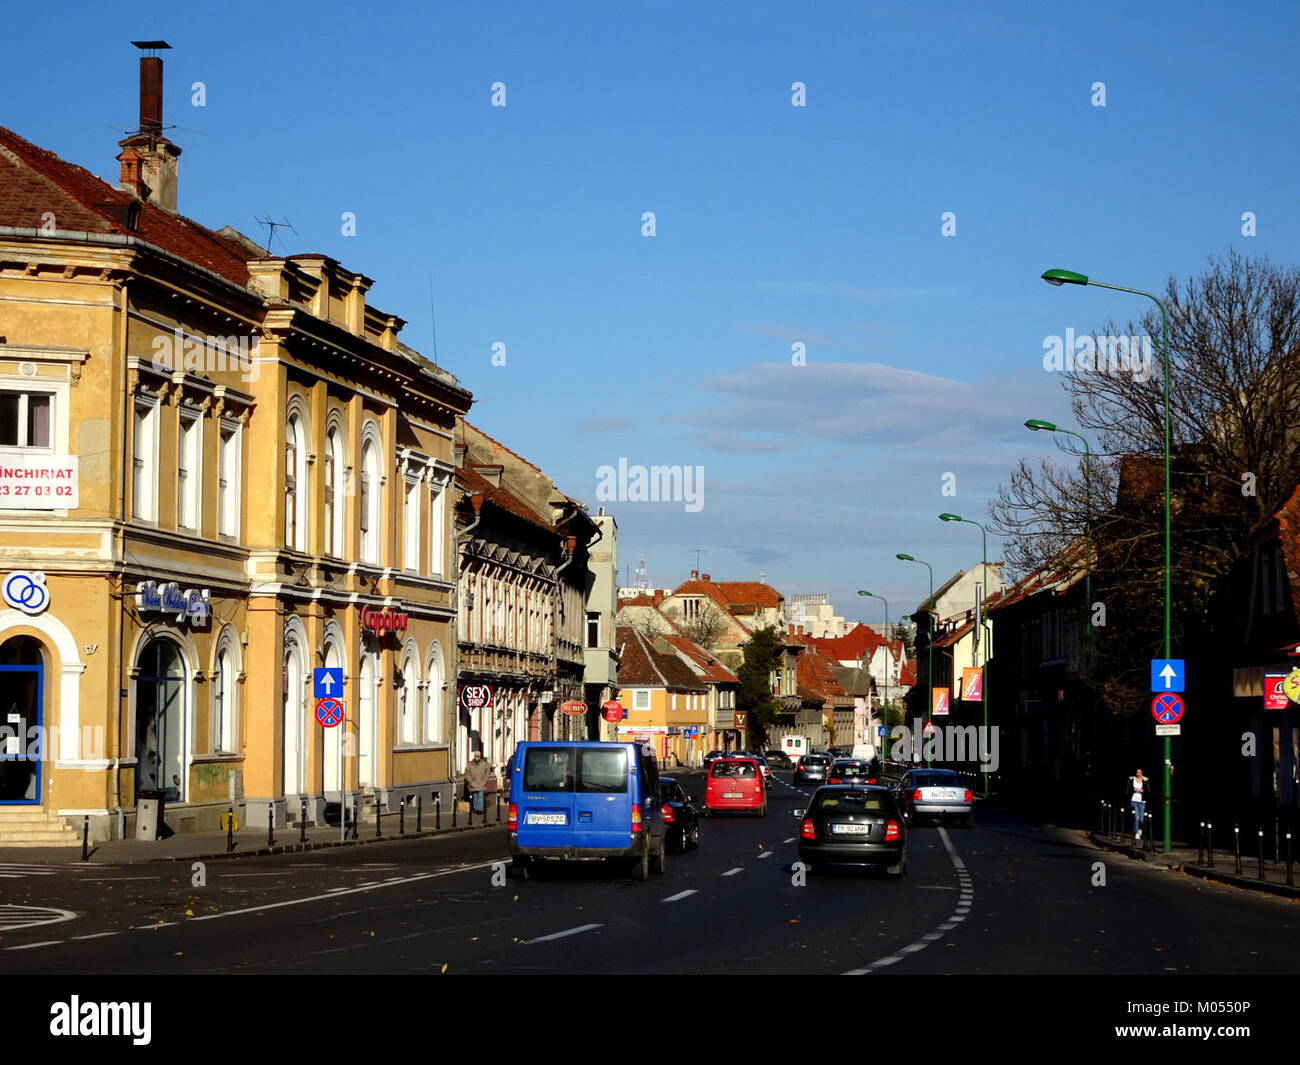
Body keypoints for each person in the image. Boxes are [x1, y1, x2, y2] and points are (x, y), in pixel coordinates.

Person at [465, 751, 491, 816]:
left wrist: (484, 780)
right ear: (474, 757)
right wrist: (471, 780)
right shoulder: (470, 764)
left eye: (478, 756)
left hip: (481, 783)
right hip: (473, 783)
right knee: (475, 796)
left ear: (480, 757)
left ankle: (480, 810)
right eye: (476, 756)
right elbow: (467, 773)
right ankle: (476, 809)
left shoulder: (484, 764)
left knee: (480, 796)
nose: (477, 758)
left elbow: (488, 772)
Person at [1130, 768, 1148, 839]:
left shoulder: (1145, 780)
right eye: (1137, 772)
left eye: (1140, 772)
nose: (1138, 773)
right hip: (1134, 800)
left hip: (1142, 801)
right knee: (1136, 817)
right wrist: (1134, 789)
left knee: (1141, 819)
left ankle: (1140, 829)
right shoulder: (1132, 779)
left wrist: (1142, 790)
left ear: (1142, 773)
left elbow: (1148, 790)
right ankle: (1136, 833)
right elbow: (1128, 789)